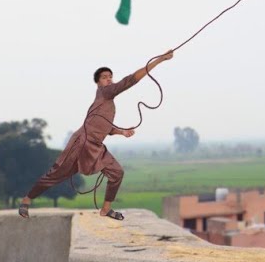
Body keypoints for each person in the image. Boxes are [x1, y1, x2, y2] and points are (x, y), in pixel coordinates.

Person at [18, 50, 174, 220]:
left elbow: (104, 126)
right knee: (56, 174)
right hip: (81, 142)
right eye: (105, 77)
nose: (109, 79)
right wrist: (159, 60)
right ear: (98, 83)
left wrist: (121, 132)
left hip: (96, 146)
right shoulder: (106, 92)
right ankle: (26, 200)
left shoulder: (107, 102)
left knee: (117, 173)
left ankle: (106, 209)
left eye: (110, 77)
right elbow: (130, 80)